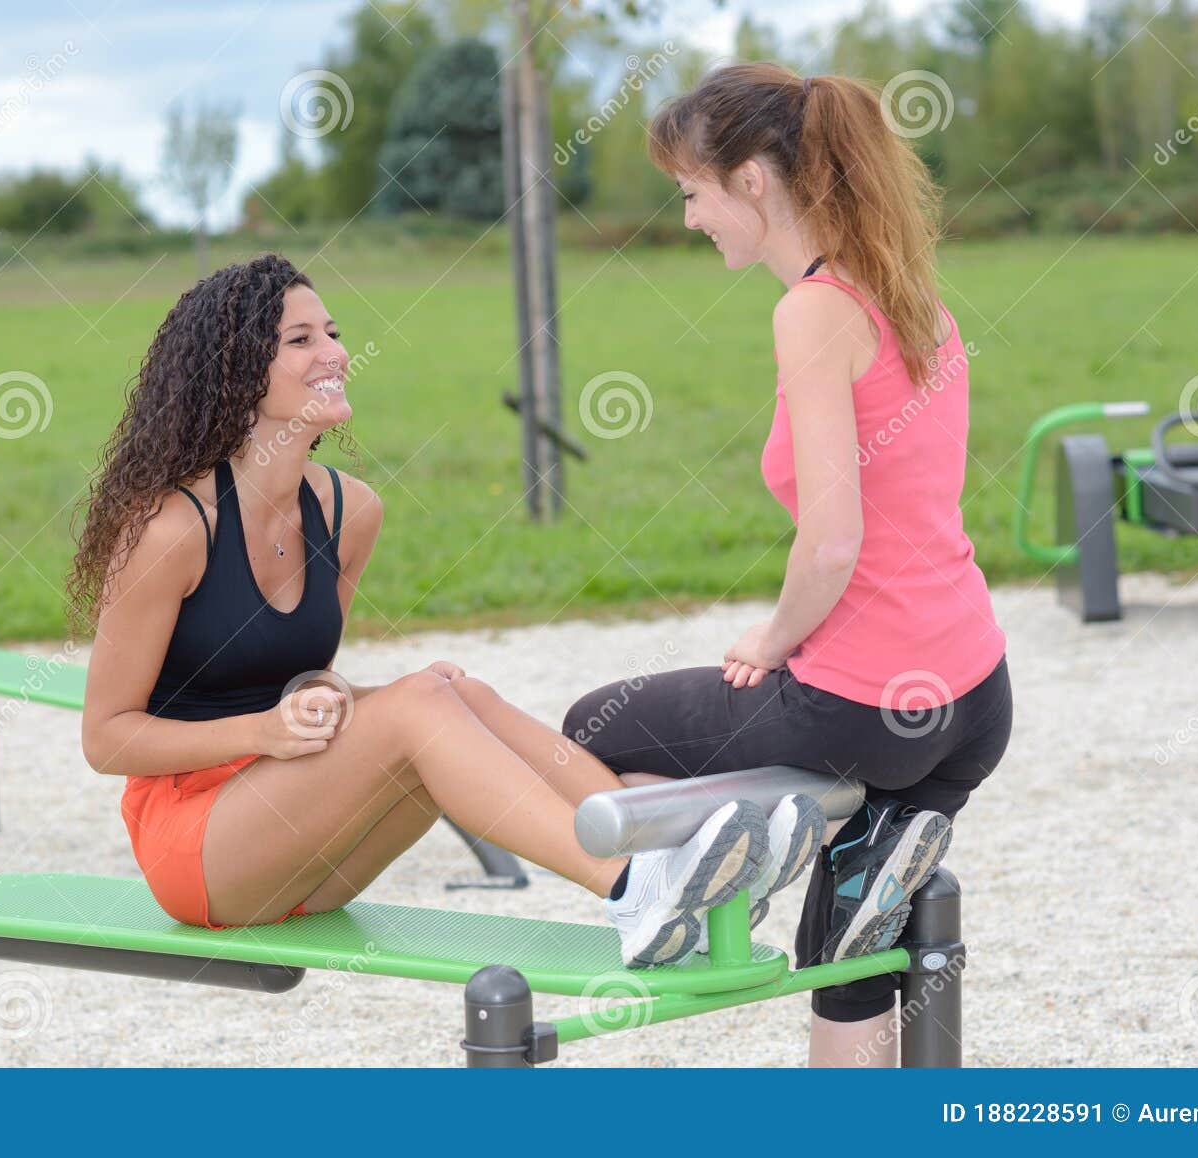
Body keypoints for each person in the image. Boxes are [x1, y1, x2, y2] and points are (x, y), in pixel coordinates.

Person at [69, 253, 775, 970]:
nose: (336, 354)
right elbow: (107, 738)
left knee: (453, 692)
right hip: (200, 847)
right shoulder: (170, 532)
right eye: (302, 340)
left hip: (303, 841)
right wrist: (267, 730)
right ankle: (632, 889)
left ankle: (670, 848)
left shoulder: (350, 512)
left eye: (333, 333)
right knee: (417, 706)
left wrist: (341, 700)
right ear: (237, 371)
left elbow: (299, 683)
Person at [562, 63, 1012, 1065]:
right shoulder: (913, 299)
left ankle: (701, 870)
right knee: (845, 969)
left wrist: (771, 641)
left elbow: (834, 540)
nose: (688, 219)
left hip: (859, 705)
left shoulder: (810, 311)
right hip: (970, 696)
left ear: (752, 183)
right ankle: (756, 845)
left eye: (691, 193)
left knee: (588, 726)